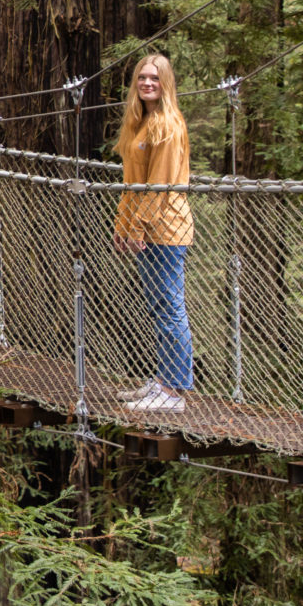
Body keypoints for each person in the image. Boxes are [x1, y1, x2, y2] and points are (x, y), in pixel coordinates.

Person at [113, 52, 196, 413]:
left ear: (166, 83)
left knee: (169, 307)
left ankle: (174, 391)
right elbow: (133, 183)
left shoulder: (167, 124)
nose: (148, 83)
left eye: (155, 78)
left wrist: (137, 227)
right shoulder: (140, 123)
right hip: (146, 228)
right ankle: (164, 380)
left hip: (164, 229)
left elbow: (159, 185)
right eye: (142, 78)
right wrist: (122, 224)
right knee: (160, 306)